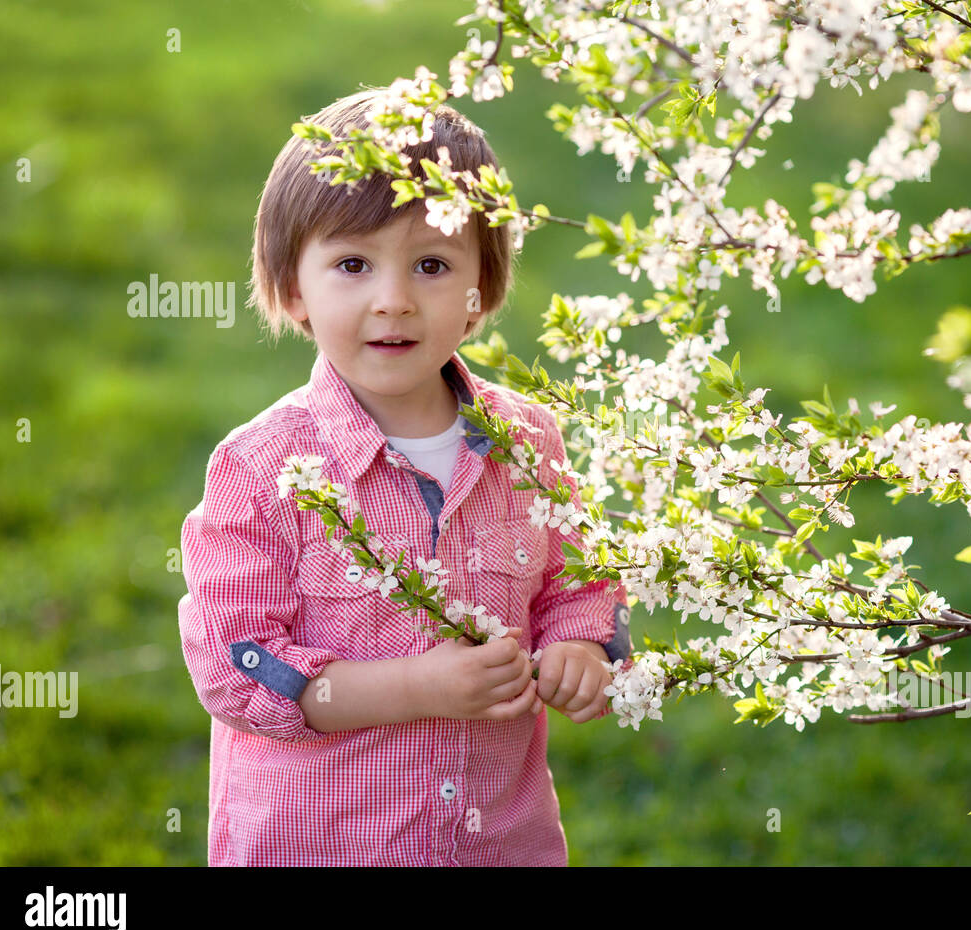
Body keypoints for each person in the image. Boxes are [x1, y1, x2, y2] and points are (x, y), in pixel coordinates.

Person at [177, 87, 633, 866]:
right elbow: (236, 664)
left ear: (479, 293)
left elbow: (578, 584)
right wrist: (416, 688)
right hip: (317, 846)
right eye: (352, 264)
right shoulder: (260, 472)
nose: (393, 301)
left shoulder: (527, 443)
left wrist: (581, 652)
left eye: (431, 265)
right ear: (294, 290)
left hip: (495, 842)